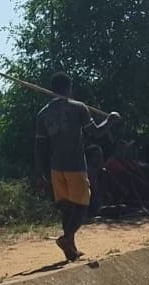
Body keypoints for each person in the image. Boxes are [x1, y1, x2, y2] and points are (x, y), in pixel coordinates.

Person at [34, 72, 102, 261]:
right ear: (68, 88)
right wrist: (111, 119)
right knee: (81, 206)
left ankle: (70, 248)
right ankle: (66, 238)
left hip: (56, 168)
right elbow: (95, 133)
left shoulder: (43, 114)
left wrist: (40, 172)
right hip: (75, 165)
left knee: (67, 208)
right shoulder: (78, 108)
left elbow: (40, 146)